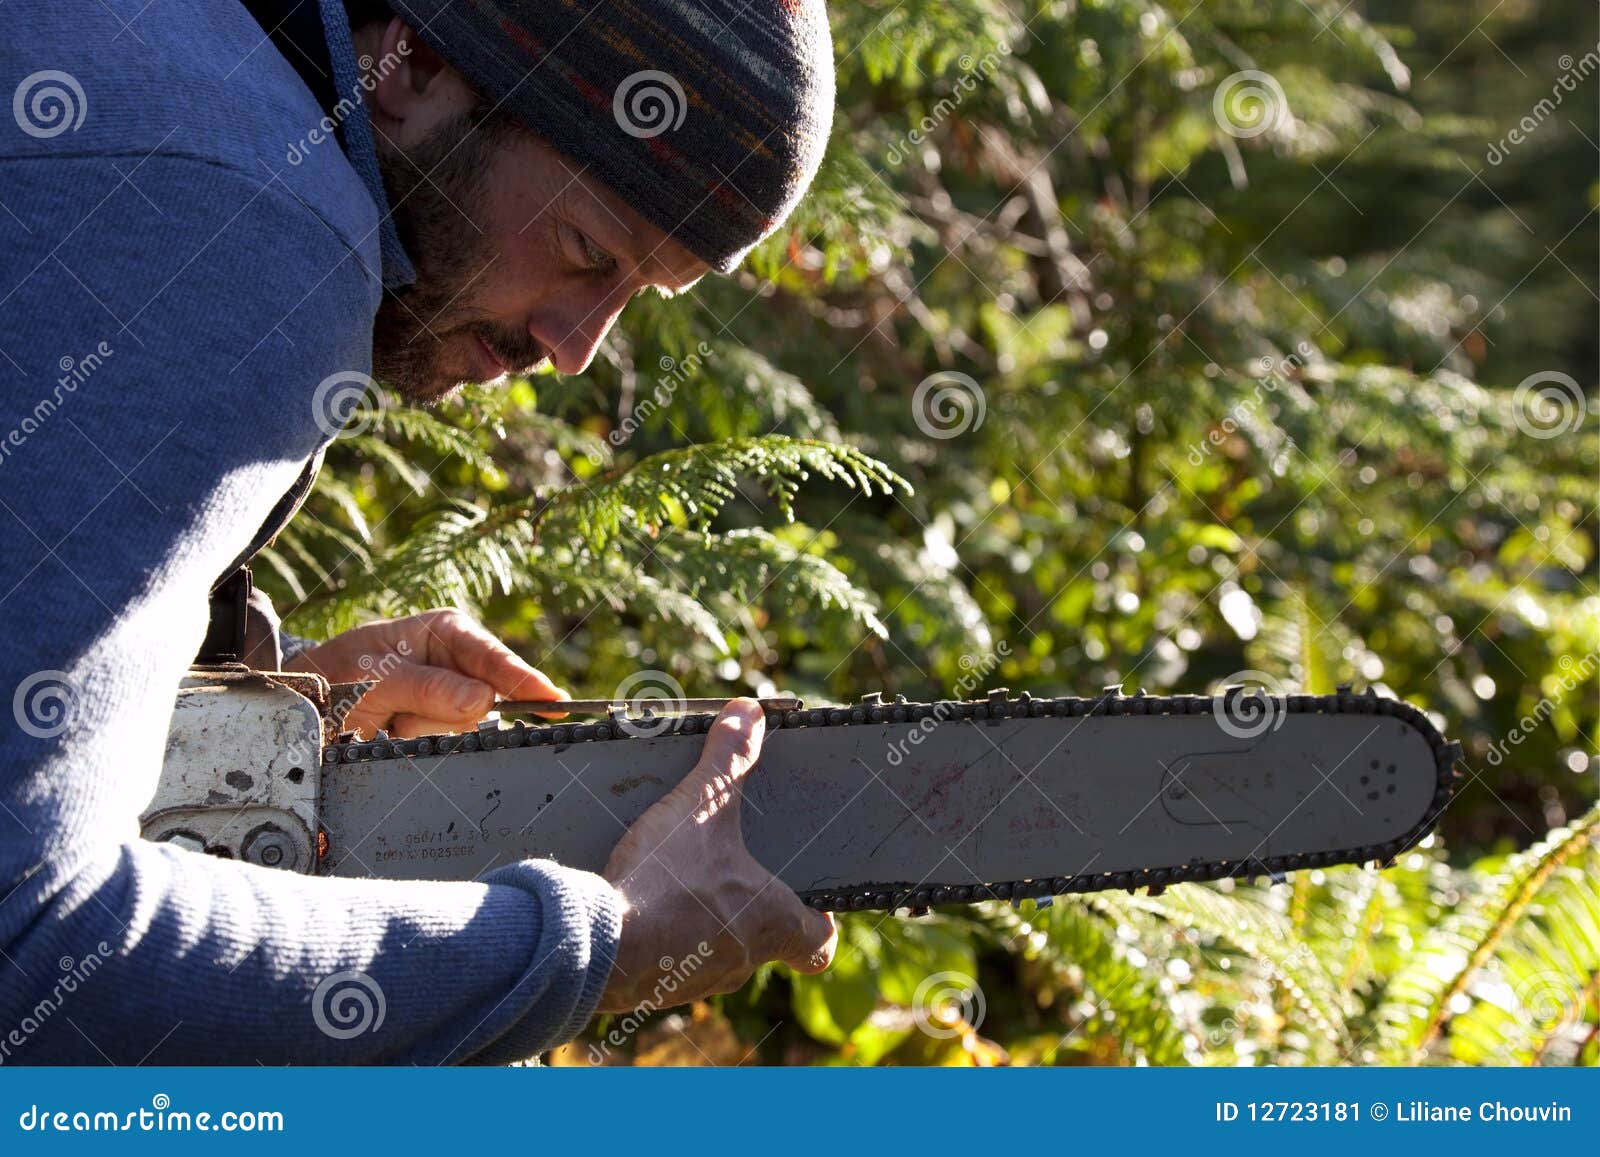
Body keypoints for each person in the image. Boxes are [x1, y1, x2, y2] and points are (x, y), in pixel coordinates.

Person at [0, 0, 837, 1063]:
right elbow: (25, 936)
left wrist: (245, 704)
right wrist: (593, 949)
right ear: (412, 64)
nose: (575, 345)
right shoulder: (246, 214)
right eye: (587, 248)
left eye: (639, 294)